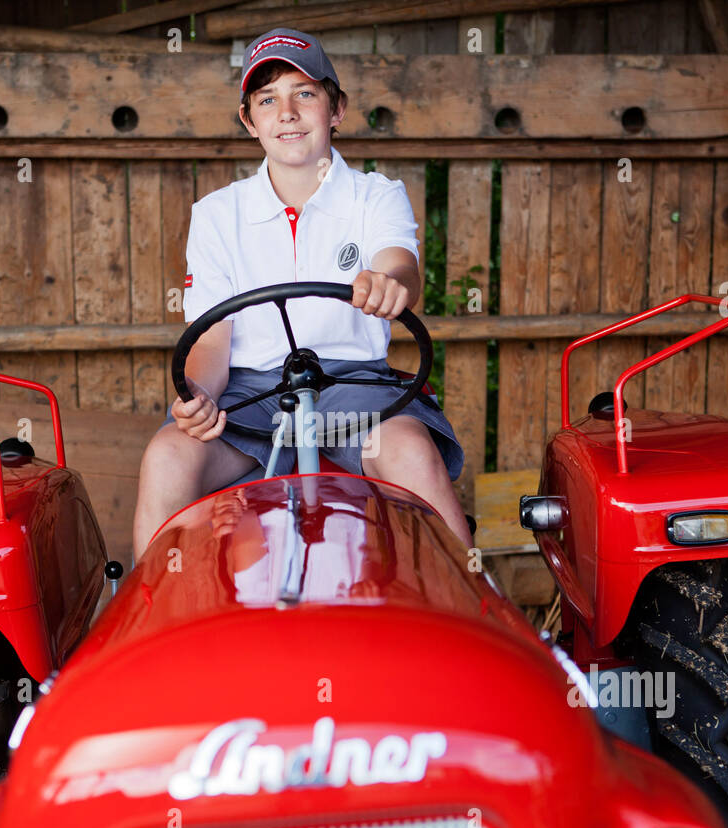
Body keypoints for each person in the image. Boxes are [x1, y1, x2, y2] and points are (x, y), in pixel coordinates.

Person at [132, 27, 474, 561]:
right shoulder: (218, 214)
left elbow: (399, 266)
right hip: (252, 400)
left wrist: (389, 286)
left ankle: (474, 598)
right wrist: (196, 393)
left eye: (304, 93)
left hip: (355, 393)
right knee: (167, 455)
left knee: (409, 449)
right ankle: (148, 618)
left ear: (336, 108)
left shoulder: (375, 197)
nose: (286, 112)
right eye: (267, 99)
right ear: (250, 121)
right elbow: (212, 337)